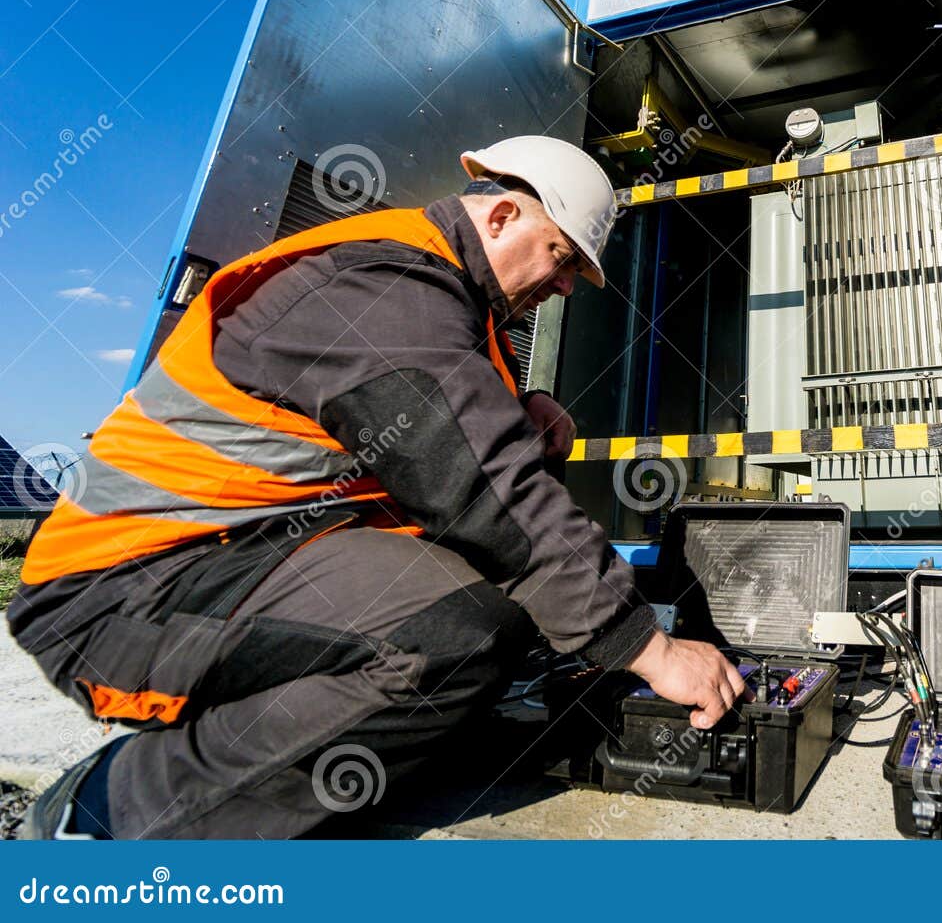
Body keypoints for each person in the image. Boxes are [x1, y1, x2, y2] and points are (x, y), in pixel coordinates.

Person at [10, 136, 746, 839]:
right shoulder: (387, 285)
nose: (561, 287)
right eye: (561, 258)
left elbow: (441, 446)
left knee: (493, 618)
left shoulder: (445, 302)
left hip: (229, 561)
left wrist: (523, 411)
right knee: (456, 636)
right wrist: (648, 647)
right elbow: (490, 491)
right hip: (118, 594)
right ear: (500, 214)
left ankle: (275, 755)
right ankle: (110, 820)